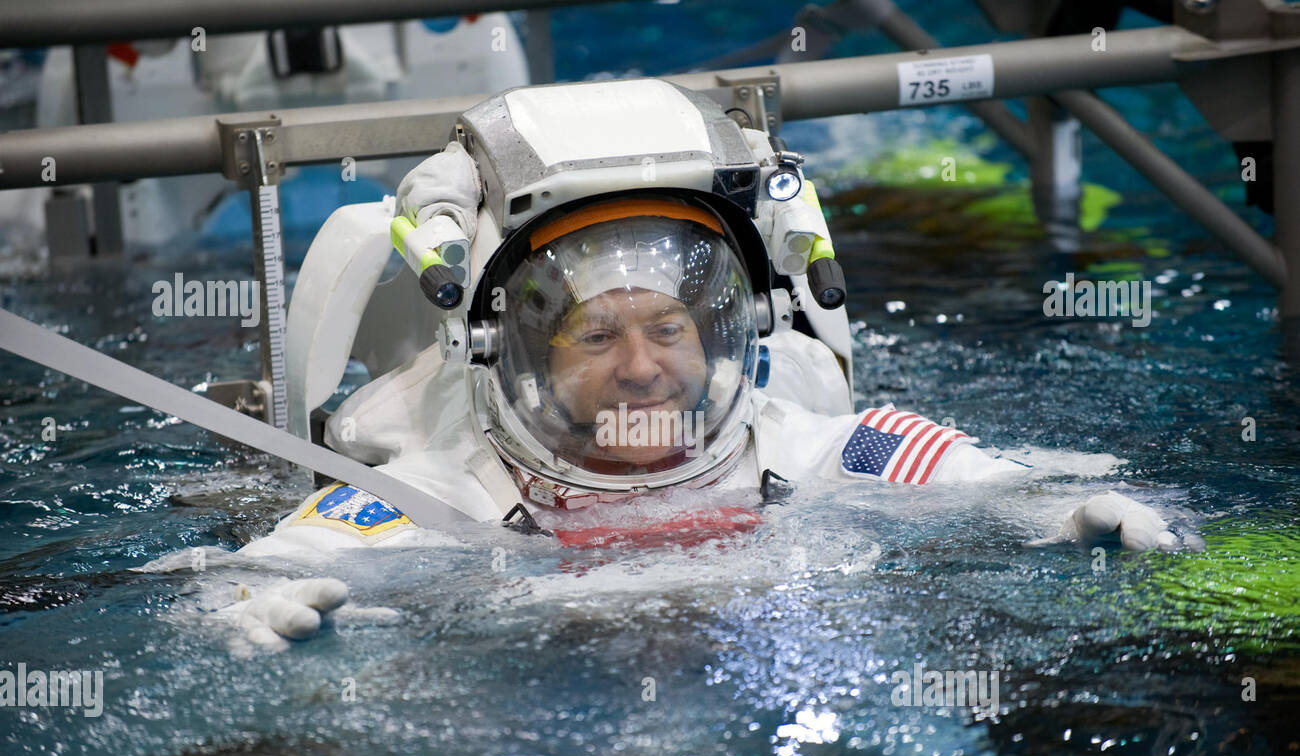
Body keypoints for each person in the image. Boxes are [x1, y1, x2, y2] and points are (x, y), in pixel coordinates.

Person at [186, 77, 1196, 652]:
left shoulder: (823, 451)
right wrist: (237, 609)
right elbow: (253, 573)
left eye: (668, 329)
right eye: (596, 334)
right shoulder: (431, 492)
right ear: (509, 354)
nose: (641, 368)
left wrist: (1061, 517)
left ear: (725, 331)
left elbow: (995, 483)